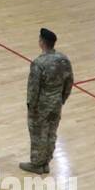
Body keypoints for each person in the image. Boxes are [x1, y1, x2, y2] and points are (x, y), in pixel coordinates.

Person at [21, 27, 73, 175]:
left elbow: (33, 89)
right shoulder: (63, 59)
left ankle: (37, 164)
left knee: (38, 134)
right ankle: (46, 162)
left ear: (42, 42)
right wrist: (62, 98)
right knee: (51, 133)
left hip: (41, 106)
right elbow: (69, 81)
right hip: (56, 103)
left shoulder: (39, 63)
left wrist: (31, 106)